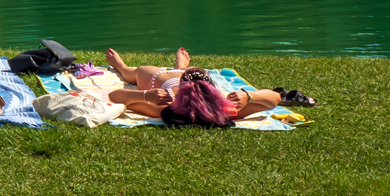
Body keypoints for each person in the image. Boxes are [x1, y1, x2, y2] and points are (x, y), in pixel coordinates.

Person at [102, 49, 290, 120]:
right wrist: (249, 96)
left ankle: (122, 67)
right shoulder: (226, 110)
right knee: (190, 72)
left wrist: (145, 95)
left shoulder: (167, 107)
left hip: (161, 80)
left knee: (137, 72)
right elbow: (274, 98)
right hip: (186, 81)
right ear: (213, 93)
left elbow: (116, 97)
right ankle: (182, 66)